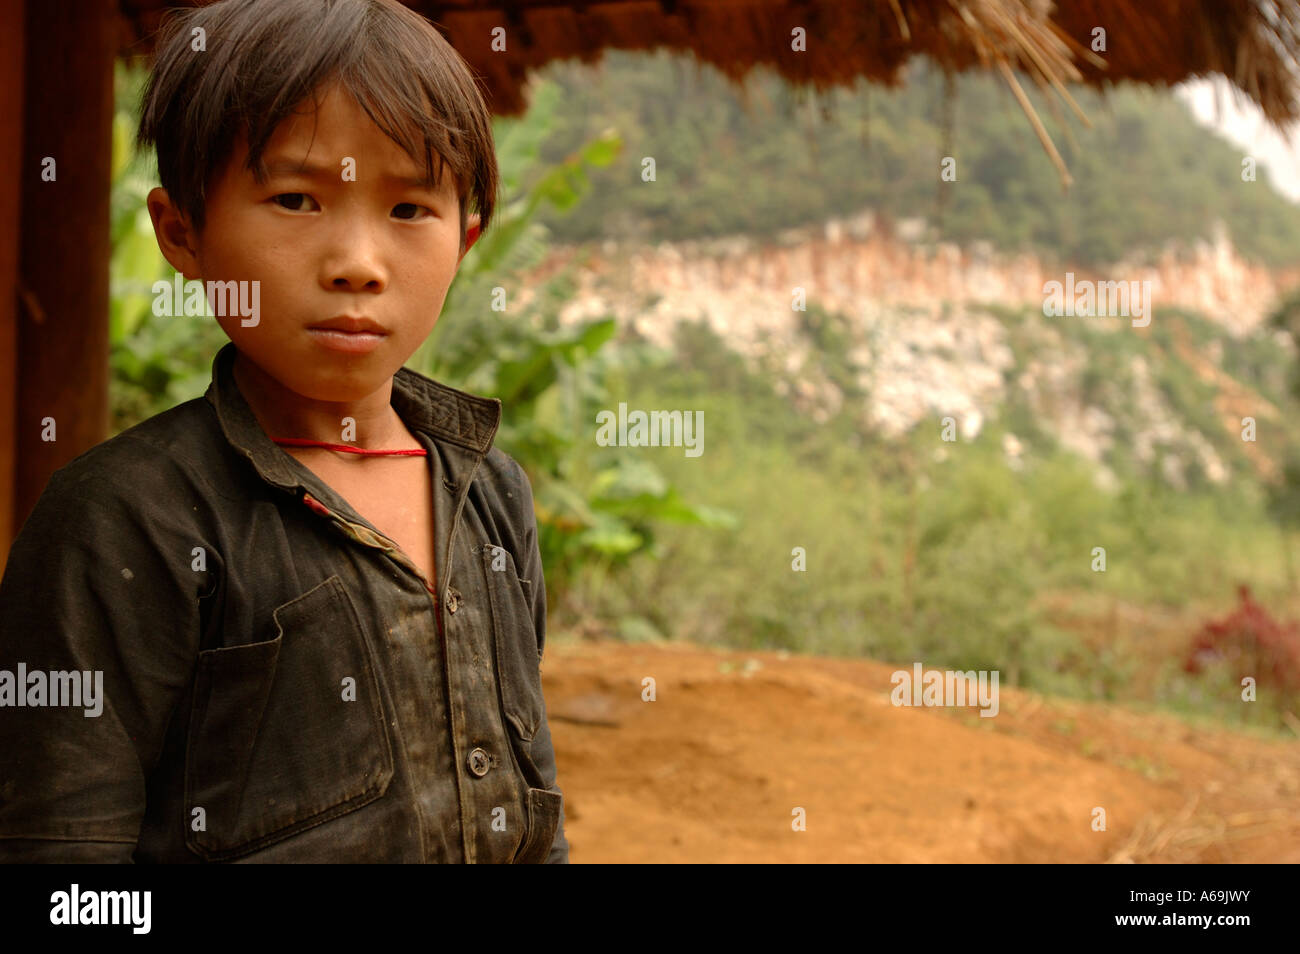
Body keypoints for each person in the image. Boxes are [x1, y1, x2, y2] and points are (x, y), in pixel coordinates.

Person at [0, 0, 569, 863]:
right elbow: (60, 856)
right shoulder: (128, 518)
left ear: (467, 240)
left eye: (411, 209)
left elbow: (531, 817)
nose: (357, 264)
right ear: (180, 232)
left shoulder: (492, 492)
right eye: (296, 198)